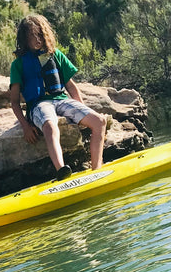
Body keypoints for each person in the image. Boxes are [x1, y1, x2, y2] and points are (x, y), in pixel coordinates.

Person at [9, 15, 107, 180]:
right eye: (32, 36)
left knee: (100, 121)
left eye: (40, 35)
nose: (38, 39)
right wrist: (25, 126)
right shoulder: (17, 65)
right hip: (39, 105)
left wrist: (83, 111)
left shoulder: (56, 55)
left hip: (61, 100)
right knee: (50, 125)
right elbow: (14, 101)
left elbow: (70, 86)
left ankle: (96, 170)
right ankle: (62, 171)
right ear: (25, 39)